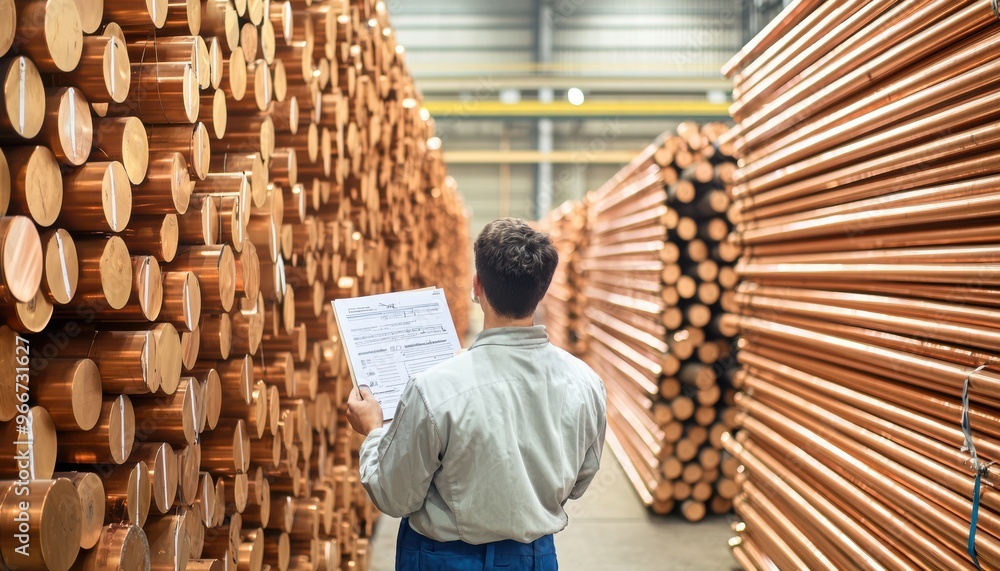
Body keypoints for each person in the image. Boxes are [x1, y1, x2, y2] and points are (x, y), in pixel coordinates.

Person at [346, 217, 607, 571]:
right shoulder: (586, 382)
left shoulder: (435, 388)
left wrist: (374, 432)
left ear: (477, 286)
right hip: (536, 558)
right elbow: (579, 481)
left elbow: (394, 496)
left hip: (444, 559)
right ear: (542, 291)